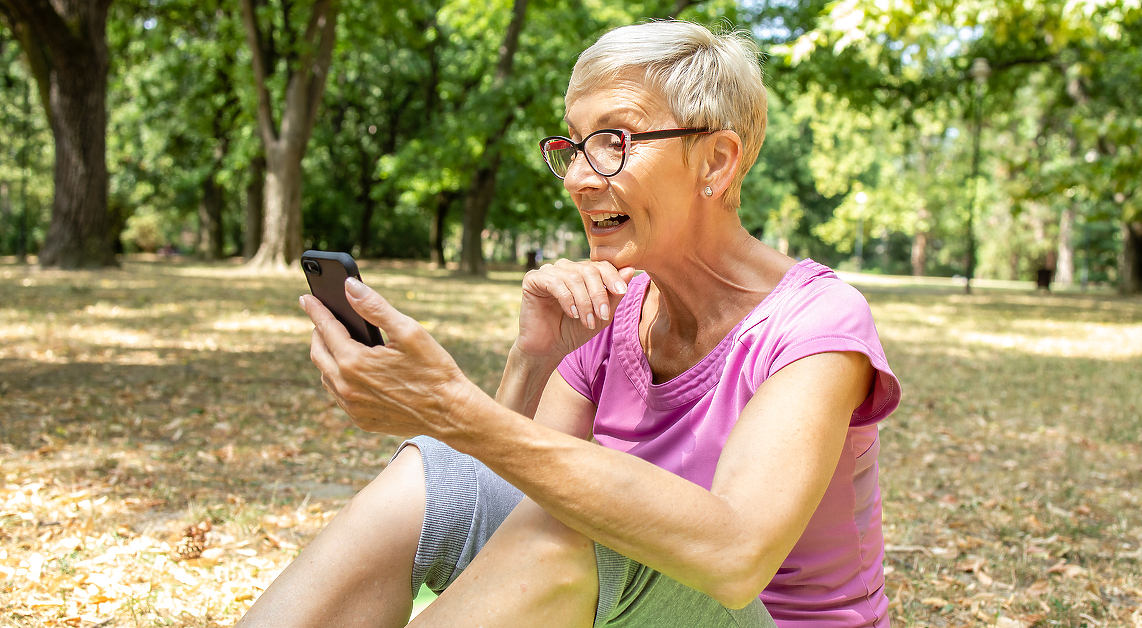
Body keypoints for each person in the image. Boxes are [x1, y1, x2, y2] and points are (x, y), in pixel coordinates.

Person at [238, 20, 901, 628]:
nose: (579, 178)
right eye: (575, 146)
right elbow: (505, 490)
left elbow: (735, 554)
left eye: (613, 142)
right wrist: (534, 359)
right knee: (442, 472)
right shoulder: (609, 315)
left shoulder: (816, 323)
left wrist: (449, 405)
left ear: (717, 161)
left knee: (566, 532)